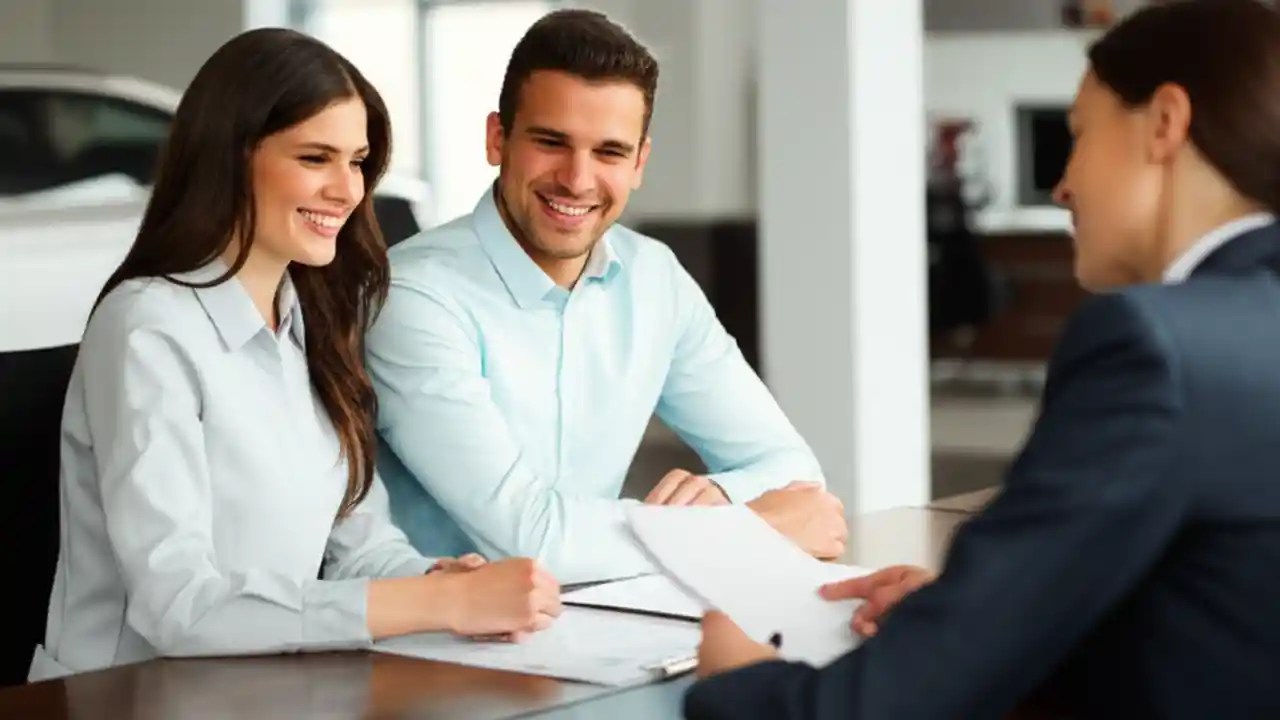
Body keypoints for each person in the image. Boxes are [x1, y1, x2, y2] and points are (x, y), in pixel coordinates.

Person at [686, 1, 1280, 717]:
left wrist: (734, 679)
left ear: (1164, 123)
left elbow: (892, 707)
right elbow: (1222, 606)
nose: (1064, 184)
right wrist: (979, 613)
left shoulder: (1156, 347)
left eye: (1079, 134)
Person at [29, 28, 560, 681]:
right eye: (316, 158)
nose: (349, 190)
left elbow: (358, 547)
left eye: (358, 161)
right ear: (230, 158)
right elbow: (178, 608)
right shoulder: (147, 330)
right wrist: (433, 601)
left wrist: (441, 581)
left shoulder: (308, 324)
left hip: (263, 687)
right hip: (124, 696)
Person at [365, 9, 845, 583]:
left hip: (601, 621)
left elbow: (793, 474)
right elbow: (531, 540)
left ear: (640, 161)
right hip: (434, 644)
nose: (576, 179)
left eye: (609, 152)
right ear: (498, 139)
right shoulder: (413, 296)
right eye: (551, 142)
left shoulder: (654, 278)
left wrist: (719, 495)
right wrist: (744, 529)